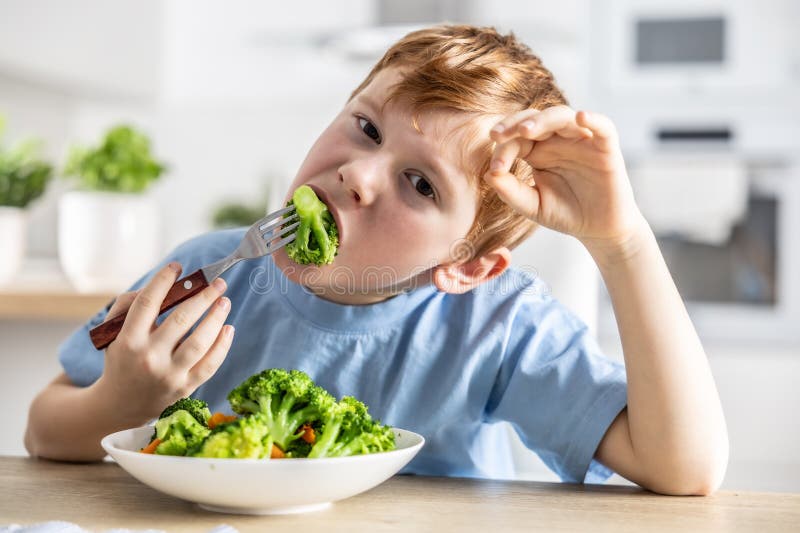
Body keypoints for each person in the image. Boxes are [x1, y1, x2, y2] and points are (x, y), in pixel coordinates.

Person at [25, 25, 728, 495]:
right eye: (365, 127)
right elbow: (43, 426)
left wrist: (623, 242)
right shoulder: (210, 271)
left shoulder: (498, 325)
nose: (358, 176)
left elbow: (685, 466)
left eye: (420, 184)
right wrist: (120, 402)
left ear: (467, 265)